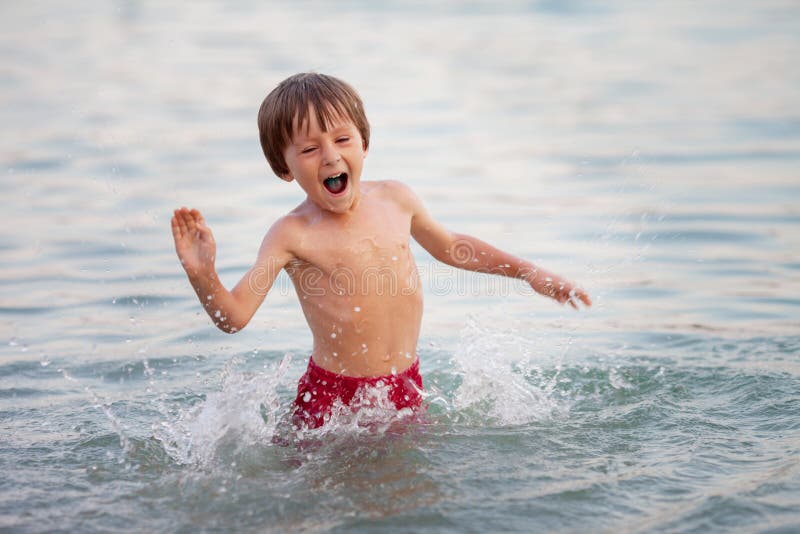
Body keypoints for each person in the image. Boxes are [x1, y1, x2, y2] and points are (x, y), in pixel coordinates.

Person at [171, 72, 591, 429]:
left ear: (364, 143)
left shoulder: (396, 199)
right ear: (284, 167)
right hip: (331, 400)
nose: (331, 156)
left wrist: (527, 272)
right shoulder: (290, 234)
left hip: (405, 384)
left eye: (342, 138)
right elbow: (236, 316)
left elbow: (452, 247)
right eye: (310, 149)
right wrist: (204, 276)